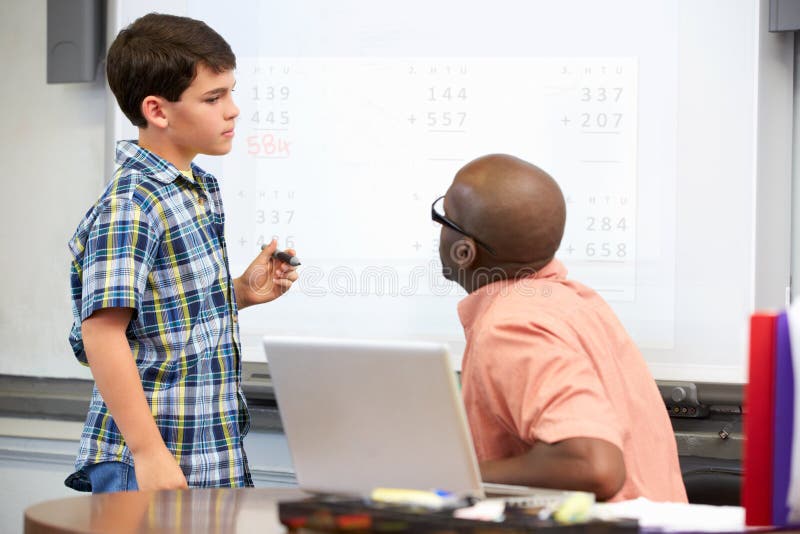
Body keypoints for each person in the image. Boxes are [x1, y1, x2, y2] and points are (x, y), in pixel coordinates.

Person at [64, 13, 298, 493]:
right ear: (158, 110)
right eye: (214, 98)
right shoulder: (132, 204)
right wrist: (150, 454)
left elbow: (165, 320)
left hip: (207, 452)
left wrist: (240, 294)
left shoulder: (195, 189)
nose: (232, 110)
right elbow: (101, 334)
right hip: (151, 461)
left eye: (231, 92)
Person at [433, 154, 687, 502]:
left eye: (443, 217)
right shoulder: (575, 303)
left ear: (465, 252)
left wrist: (448, 474)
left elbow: (593, 464)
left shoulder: (511, 326)